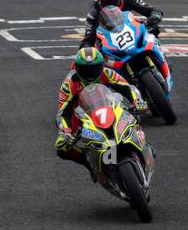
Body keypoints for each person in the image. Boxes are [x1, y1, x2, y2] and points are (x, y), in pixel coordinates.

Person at [53, 47, 146, 182]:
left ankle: (141, 146)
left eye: (93, 68)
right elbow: (62, 114)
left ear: (101, 66)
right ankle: (90, 165)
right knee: (61, 146)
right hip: (82, 118)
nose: (89, 73)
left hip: (110, 108)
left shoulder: (107, 73)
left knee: (134, 116)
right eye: (85, 69)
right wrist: (65, 130)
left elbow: (127, 88)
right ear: (77, 68)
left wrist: (137, 101)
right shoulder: (69, 84)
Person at [79, 0, 162, 49]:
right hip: (109, 41)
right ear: (98, 1)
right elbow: (88, 40)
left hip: (130, 33)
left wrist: (154, 17)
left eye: (114, 1)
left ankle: (160, 59)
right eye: (106, 3)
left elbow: (153, 10)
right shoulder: (94, 11)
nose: (111, 6)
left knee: (153, 29)